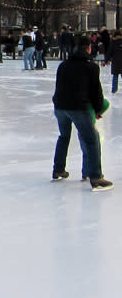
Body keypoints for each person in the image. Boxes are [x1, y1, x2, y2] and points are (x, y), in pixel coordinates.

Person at [51, 36, 113, 191]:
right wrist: (98, 110)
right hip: (79, 107)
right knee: (92, 140)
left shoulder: (63, 65)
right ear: (89, 48)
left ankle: (58, 169)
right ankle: (95, 176)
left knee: (63, 137)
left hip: (60, 107)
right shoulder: (91, 67)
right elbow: (96, 93)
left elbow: (59, 87)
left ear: (74, 48)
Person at [111, 30, 122, 94]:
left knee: (115, 76)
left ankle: (114, 90)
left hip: (115, 61)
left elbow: (110, 51)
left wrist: (106, 60)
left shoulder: (113, 42)